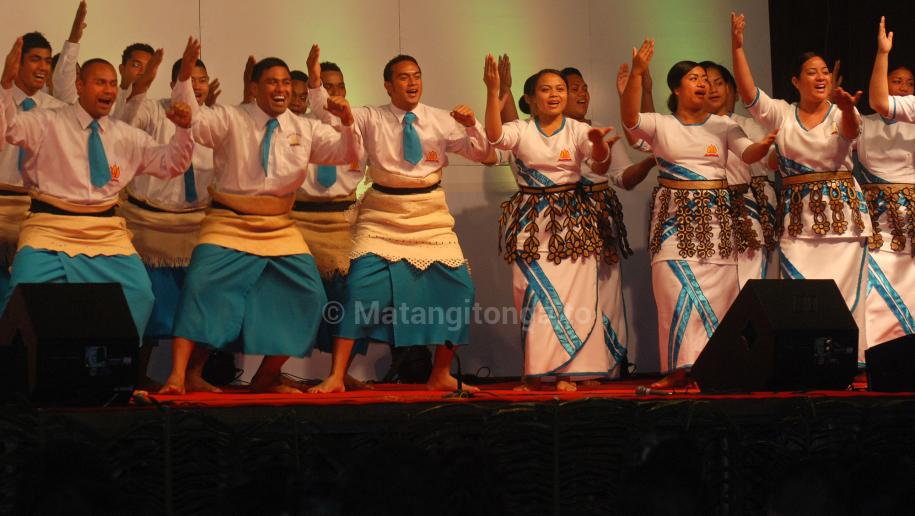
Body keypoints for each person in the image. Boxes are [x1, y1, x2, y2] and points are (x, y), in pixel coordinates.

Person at [161, 45, 362, 395]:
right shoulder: (230, 117)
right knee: (201, 286)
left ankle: (266, 377)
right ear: (254, 88)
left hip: (279, 228)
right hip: (228, 222)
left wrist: (346, 122)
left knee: (311, 296)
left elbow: (347, 153)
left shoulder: (303, 127)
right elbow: (194, 119)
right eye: (271, 82)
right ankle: (180, 376)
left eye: (285, 82)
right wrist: (183, 79)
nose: (281, 89)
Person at [306, 48, 491, 394]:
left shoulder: (440, 118)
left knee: (460, 291)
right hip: (381, 215)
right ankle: (335, 375)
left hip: (430, 215)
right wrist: (315, 81)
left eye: (416, 76)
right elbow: (326, 113)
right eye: (404, 77)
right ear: (388, 86)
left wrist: (471, 125)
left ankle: (440, 373)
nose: (412, 82)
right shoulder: (369, 116)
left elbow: (484, 154)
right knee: (358, 290)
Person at [0, 37, 194, 340]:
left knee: (141, 296)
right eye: (100, 82)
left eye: (112, 84)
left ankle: (104, 372)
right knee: (19, 300)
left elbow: (171, 163)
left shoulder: (126, 135)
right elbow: (8, 128)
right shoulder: (46, 122)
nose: (108, 90)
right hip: (49, 228)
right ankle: (20, 382)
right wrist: (6, 85)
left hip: (106, 232)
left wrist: (184, 129)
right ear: (79, 85)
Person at [621, 39, 775, 386]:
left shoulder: (723, 126)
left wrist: (763, 145)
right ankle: (679, 371)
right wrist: (637, 74)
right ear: (676, 88)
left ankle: (714, 369)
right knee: (675, 295)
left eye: (705, 77)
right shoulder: (660, 124)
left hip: (718, 226)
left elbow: (748, 155)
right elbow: (630, 119)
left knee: (720, 299)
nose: (703, 82)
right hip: (674, 223)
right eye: (694, 77)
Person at [732, 12, 871, 358]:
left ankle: (850, 361)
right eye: (812, 72)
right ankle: (806, 361)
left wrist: (849, 109)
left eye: (825, 71)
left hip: (843, 222)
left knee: (846, 291)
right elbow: (749, 95)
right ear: (796, 81)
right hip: (798, 221)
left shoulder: (840, 112)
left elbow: (852, 133)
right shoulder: (782, 113)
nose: (821, 77)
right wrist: (737, 47)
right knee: (803, 296)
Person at [484, 56, 620, 391]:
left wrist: (601, 146)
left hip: (571, 224)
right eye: (545, 89)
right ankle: (534, 372)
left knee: (575, 299)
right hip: (531, 225)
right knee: (530, 295)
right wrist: (492, 92)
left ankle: (570, 372)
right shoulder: (521, 130)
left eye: (560, 88)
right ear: (530, 99)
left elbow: (600, 166)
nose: (555, 94)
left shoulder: (577, 130)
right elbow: (495, 137)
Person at [115, 54, 216, 389]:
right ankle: (137, 374)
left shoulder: (214, 119)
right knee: (150, 308)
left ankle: (191, 374)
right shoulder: (153, 110)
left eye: (202, 79)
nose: (198, 86)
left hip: (197, 225)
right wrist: (139, 87)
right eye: (190, 79)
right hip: (150, 225)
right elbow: (125, 120)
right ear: (175, 85)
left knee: (201, 305)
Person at [562, 66, 655, 379]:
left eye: (584, 87)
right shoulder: (547, 132)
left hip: (600, 219)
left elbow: (624, 179)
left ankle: (610, 368)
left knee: (607, 292)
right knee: (568, 293)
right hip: (562, 221)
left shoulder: (604, 130)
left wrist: (652, 159)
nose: (582, 93)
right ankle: (570, 369)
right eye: (574, 87)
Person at [292, 54, 369, 388]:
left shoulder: (359, 128)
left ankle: (339, 372)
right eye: (325, 87)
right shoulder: (297, 126)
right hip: (298, 222)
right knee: (296, 297)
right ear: (313, 92)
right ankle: (266, 373)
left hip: (343, 224)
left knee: (354, 295)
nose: (333, 94)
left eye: (339, 87)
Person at [0, 31, 70, 300]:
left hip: (38, 216)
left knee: (34, 303)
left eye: (48, 61)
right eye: (35, 59)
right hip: (2, 208)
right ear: (17, 62)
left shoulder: (58, 110)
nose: (43, 67)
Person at [701, 61, 777, 287]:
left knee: (750, 279)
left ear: (731, 91)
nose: (713, 89)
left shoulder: (747, 125)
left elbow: (770, 161)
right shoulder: (693, 127)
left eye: (719, 83)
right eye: (706, 84)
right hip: (710, 212)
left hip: (747, 207)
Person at [864, 17, 915, 347]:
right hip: (877, 217)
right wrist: (883, 54)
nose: (904, 87)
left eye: (910, 82)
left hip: (910, 216)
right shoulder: (864, 123)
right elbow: (879, 102)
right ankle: (876, 353)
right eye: (896, 81)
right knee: (876, 284)